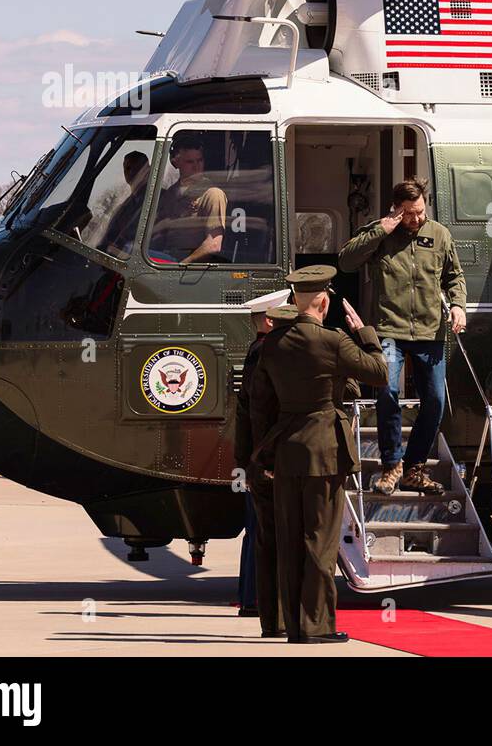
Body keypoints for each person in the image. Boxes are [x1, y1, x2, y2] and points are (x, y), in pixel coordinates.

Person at [249, 265, 388, 644]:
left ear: (296, 302)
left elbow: (263, 401)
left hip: (287, 450)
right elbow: (379, 373)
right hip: (325, 451)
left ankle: (290, 625)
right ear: (324, 301)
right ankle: (316, 625)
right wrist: (364, 333)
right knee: (320, 541)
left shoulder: (274, 344)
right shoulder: (332, 341)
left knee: (289, 539)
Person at [337, 178, 467, 496]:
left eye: (420, 211)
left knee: (435, 400)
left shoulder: (440, 234)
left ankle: (414, 467)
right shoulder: (380, 233)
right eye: (408, 213)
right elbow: (346, 261)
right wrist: (381, 230)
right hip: (389, 330)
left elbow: (454, 275)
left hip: (430, 331)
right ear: (396, 210)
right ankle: (391, 464)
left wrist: (459, 306)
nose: (416, 219)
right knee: (387, 393)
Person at [232, 289, 292, 634]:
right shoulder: (264, 353)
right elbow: (255, 412)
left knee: (257, 529)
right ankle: (254, 598)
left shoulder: (257, 351)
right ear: (270, 320)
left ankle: (251, 596)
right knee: (263, 530)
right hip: (264, 456)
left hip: (255, 455)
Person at [150, 132, 227, 264]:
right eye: (190, 162)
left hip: (189, 269)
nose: (196, 166)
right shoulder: (169, 195)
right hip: (165, 260)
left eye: (200, 160)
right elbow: (158, 235)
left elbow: (213, 244)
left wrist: (182, 265)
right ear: (176, 162)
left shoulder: (212, 194)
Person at [99, 150, 150, 258]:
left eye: (137, 168)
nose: (131, 172)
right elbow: (106, 240)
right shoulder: (123, 208)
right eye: (127, 168)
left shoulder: (160, 199)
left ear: (148, 170)